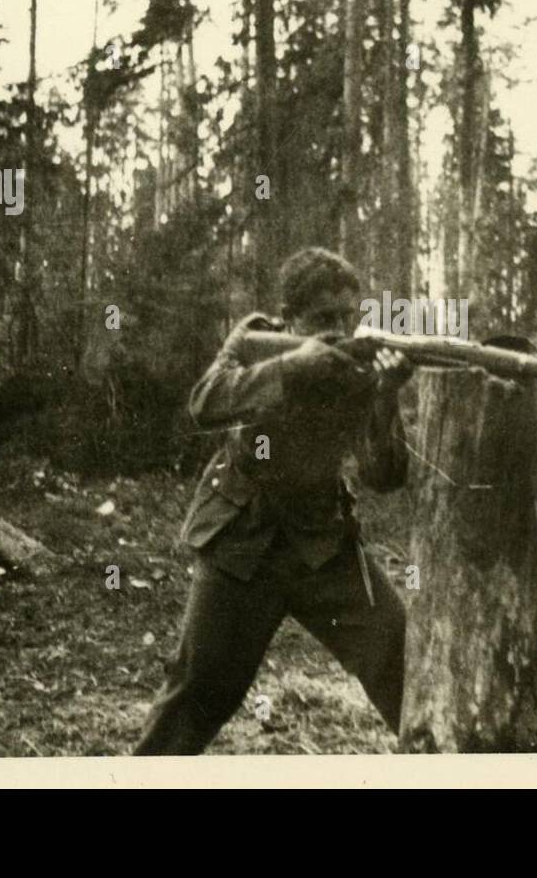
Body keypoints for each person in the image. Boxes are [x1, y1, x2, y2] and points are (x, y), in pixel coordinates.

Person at [134, 247, 413, 754]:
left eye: (347, 317)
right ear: (289, 320)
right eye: (323, 319)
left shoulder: (359, 366)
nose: (339, 330)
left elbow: (385, 476)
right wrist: (292, 367)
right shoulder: (252, 339)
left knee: (400, 655)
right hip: (242, 542)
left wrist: (386, 393)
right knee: (196, 693)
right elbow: (205, 402)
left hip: (322, 544)